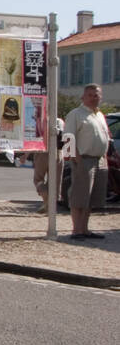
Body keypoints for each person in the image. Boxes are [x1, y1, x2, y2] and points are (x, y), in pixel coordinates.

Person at [62, 83, 110, 239]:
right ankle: (76, 230)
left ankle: (85, 229)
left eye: (96, 95)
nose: (93, 98)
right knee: (79, 196)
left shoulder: (100, 115)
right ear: (83, 96)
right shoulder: (76, 114)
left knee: (92, 197)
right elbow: (68, 137)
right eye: (90, 95)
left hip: (99, 160)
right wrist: (76, 159)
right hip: (84, 159)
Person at [31, 117, 64, 214]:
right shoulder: (59, 121)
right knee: (55, 181)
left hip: (42, 151)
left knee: (38, 179)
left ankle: (46, 200)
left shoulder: (39, 122)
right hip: (58, 152)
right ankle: (51, 206)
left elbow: (34, 140)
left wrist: (25, 155)